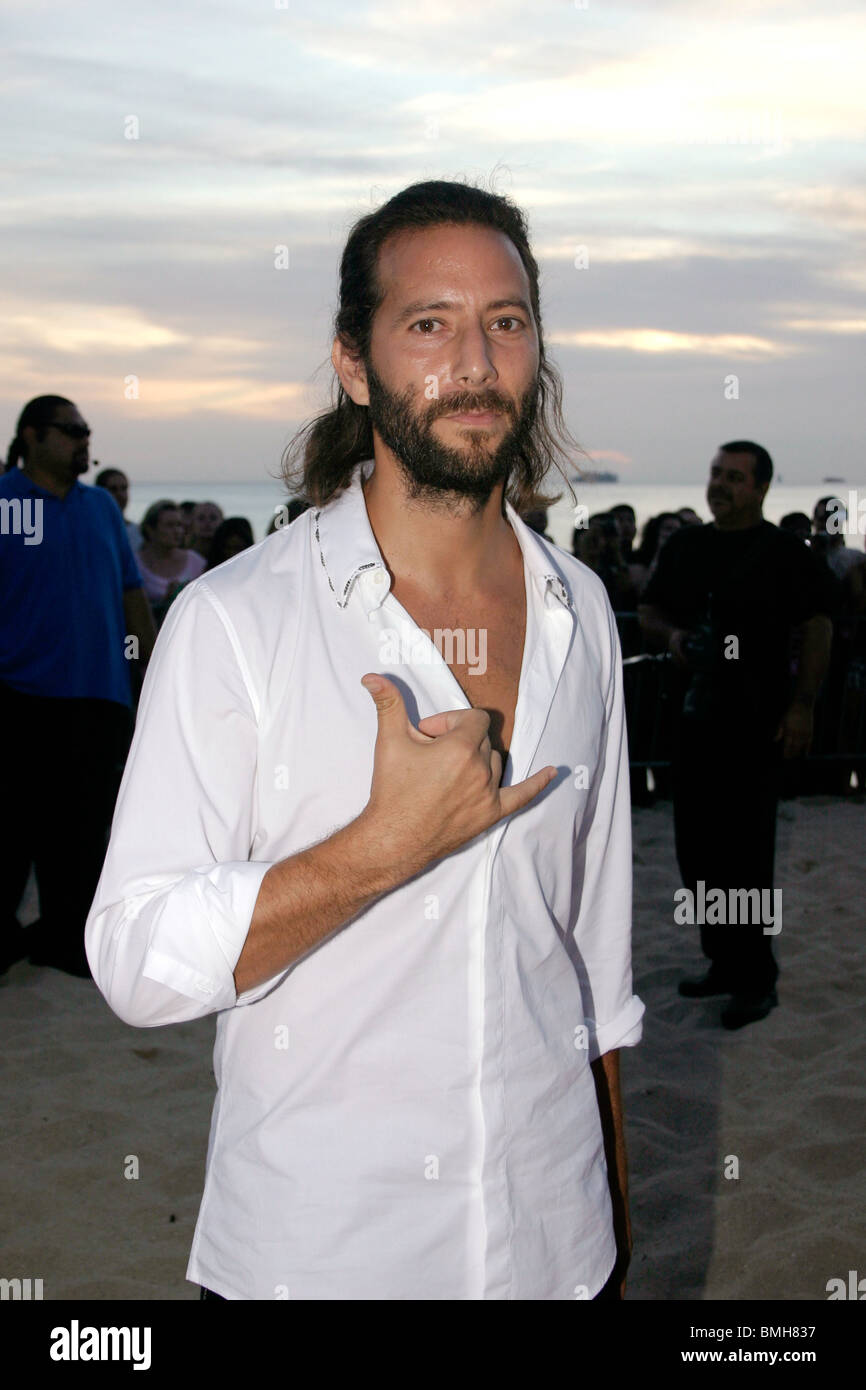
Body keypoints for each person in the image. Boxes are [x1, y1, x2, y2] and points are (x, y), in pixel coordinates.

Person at [86, 179, 644, 1302]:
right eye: (429, 324)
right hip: (318, 1255)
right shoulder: (237, 620)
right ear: (355, 362)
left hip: (555, 1246)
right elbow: (134, 958)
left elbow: (593, 969)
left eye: (506, 320)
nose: (475, 365)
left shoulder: (580, 611)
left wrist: (608, 1231)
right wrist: (376, 851)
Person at [638, 442, 835, 1029]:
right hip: (692, 720)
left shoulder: (785, 553)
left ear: (761, 488)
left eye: (734, 477)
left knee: (747, 857)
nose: (719, 485)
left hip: (756, 725)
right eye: (715, 474)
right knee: (695, 851)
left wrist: (803, 707)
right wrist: (673, 641)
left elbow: (819, 626)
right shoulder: (686, 545)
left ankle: (755, 977)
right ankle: (721, 961)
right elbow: (649, 610)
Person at [0, 396, 155, 977]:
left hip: (97, 695)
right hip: (16, 694)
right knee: (11, 828)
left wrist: (150, 665)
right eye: (71, 431)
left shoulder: (100, 509)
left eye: (87, 431)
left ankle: (66, 941)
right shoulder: (5, 503)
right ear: (33, 436)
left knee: (85, 828)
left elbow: (130, 592)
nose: (83, 441)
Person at [135, 499, 207, 627]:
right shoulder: (136, 564)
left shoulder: (196, 562)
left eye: (179, 525)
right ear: (150, 529)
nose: (177, 531)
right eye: (169, 525)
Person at [95, 466, 142, 552]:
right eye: (113, 489)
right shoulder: (91, 531)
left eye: (124, 489)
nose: (120, 495)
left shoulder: (139, 533)